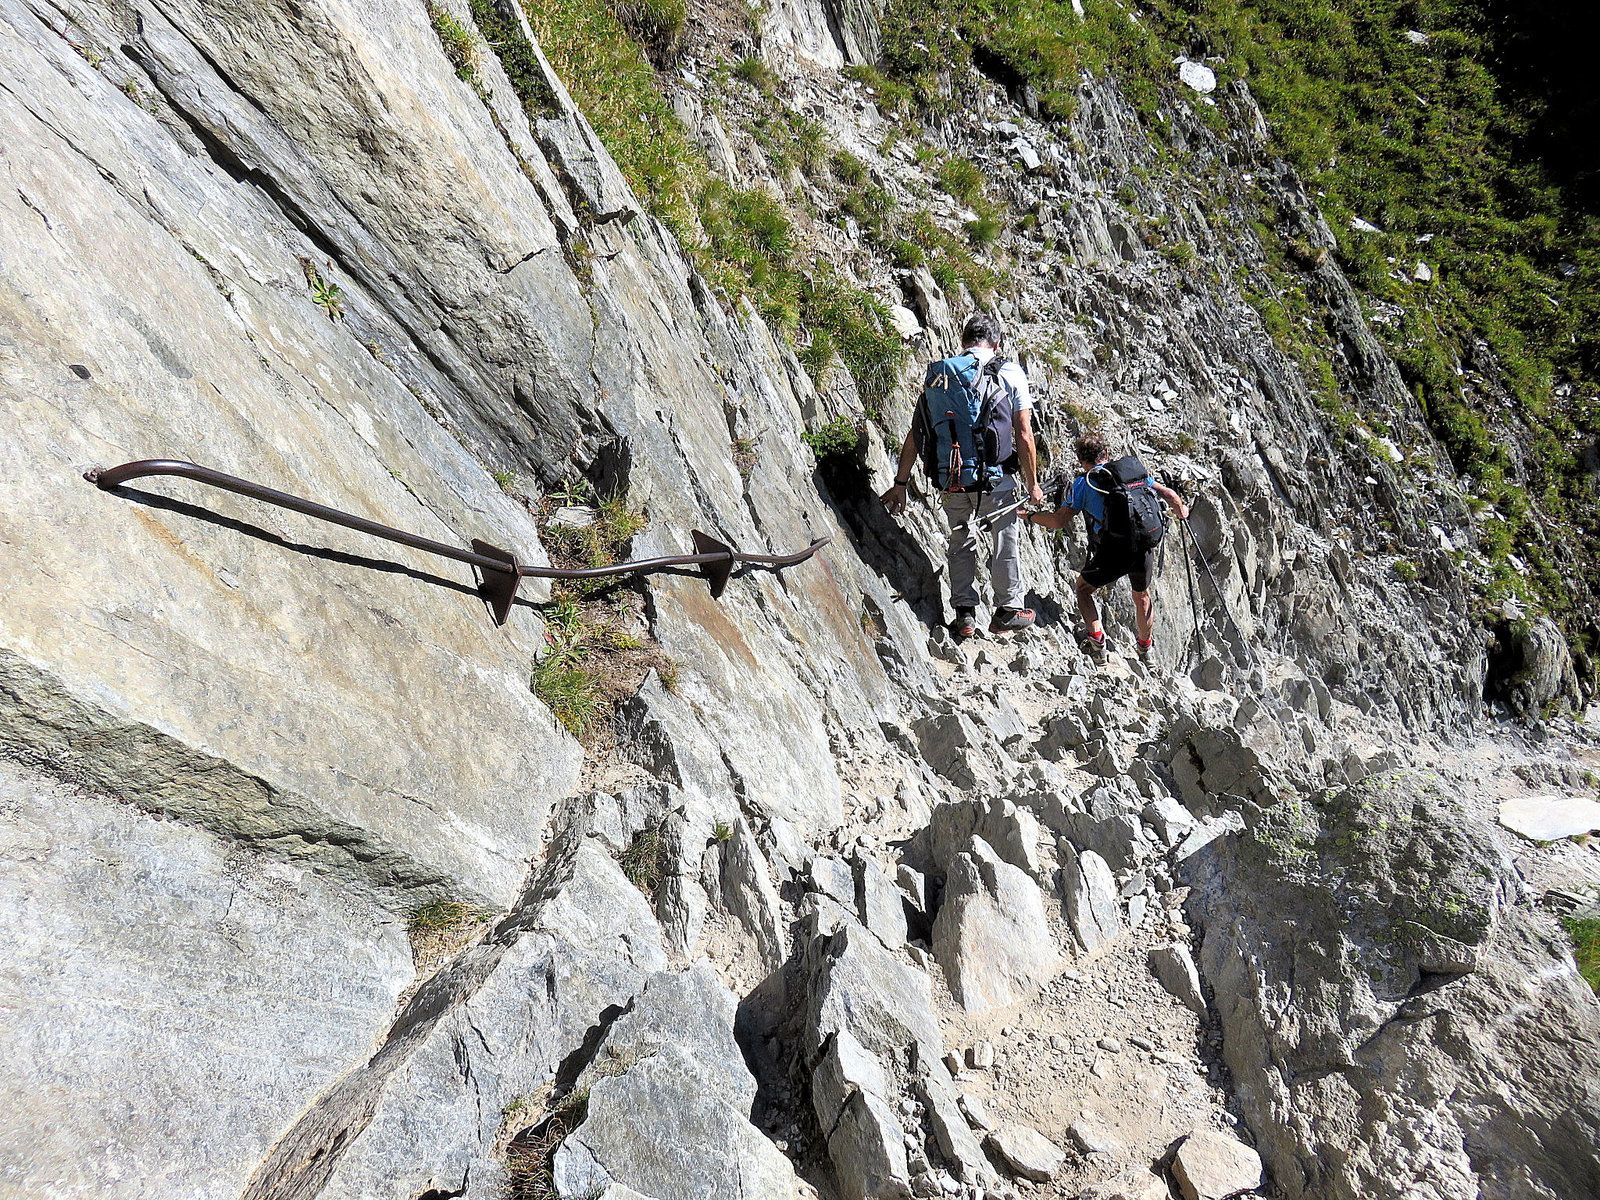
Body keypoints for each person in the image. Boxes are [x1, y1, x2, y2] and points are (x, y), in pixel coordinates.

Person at [881, 313, 1046, 639]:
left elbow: (917, 433)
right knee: (1004, 539)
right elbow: (1024, 433)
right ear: (996, 343)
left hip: (951, 478)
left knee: (960, 541)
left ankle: (965, 615)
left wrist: (900, 483)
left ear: (963, 342)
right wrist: (1033, 484)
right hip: (995, 481)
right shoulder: (1009, 371)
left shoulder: (941, 374)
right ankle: (1008, 610)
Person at [1027, 432, 1188, 657]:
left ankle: (1097, 642)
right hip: (1143, 543)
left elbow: (1058, 521)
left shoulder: (1085, 483)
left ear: (1081, 460)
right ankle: (1145, 648)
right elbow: (1169, 494)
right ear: (1107, 453)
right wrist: (1181, 507)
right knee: (1141, 596)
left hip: (1114, 549)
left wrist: (1029, 516)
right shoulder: (1129, 473)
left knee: (1083, 589)